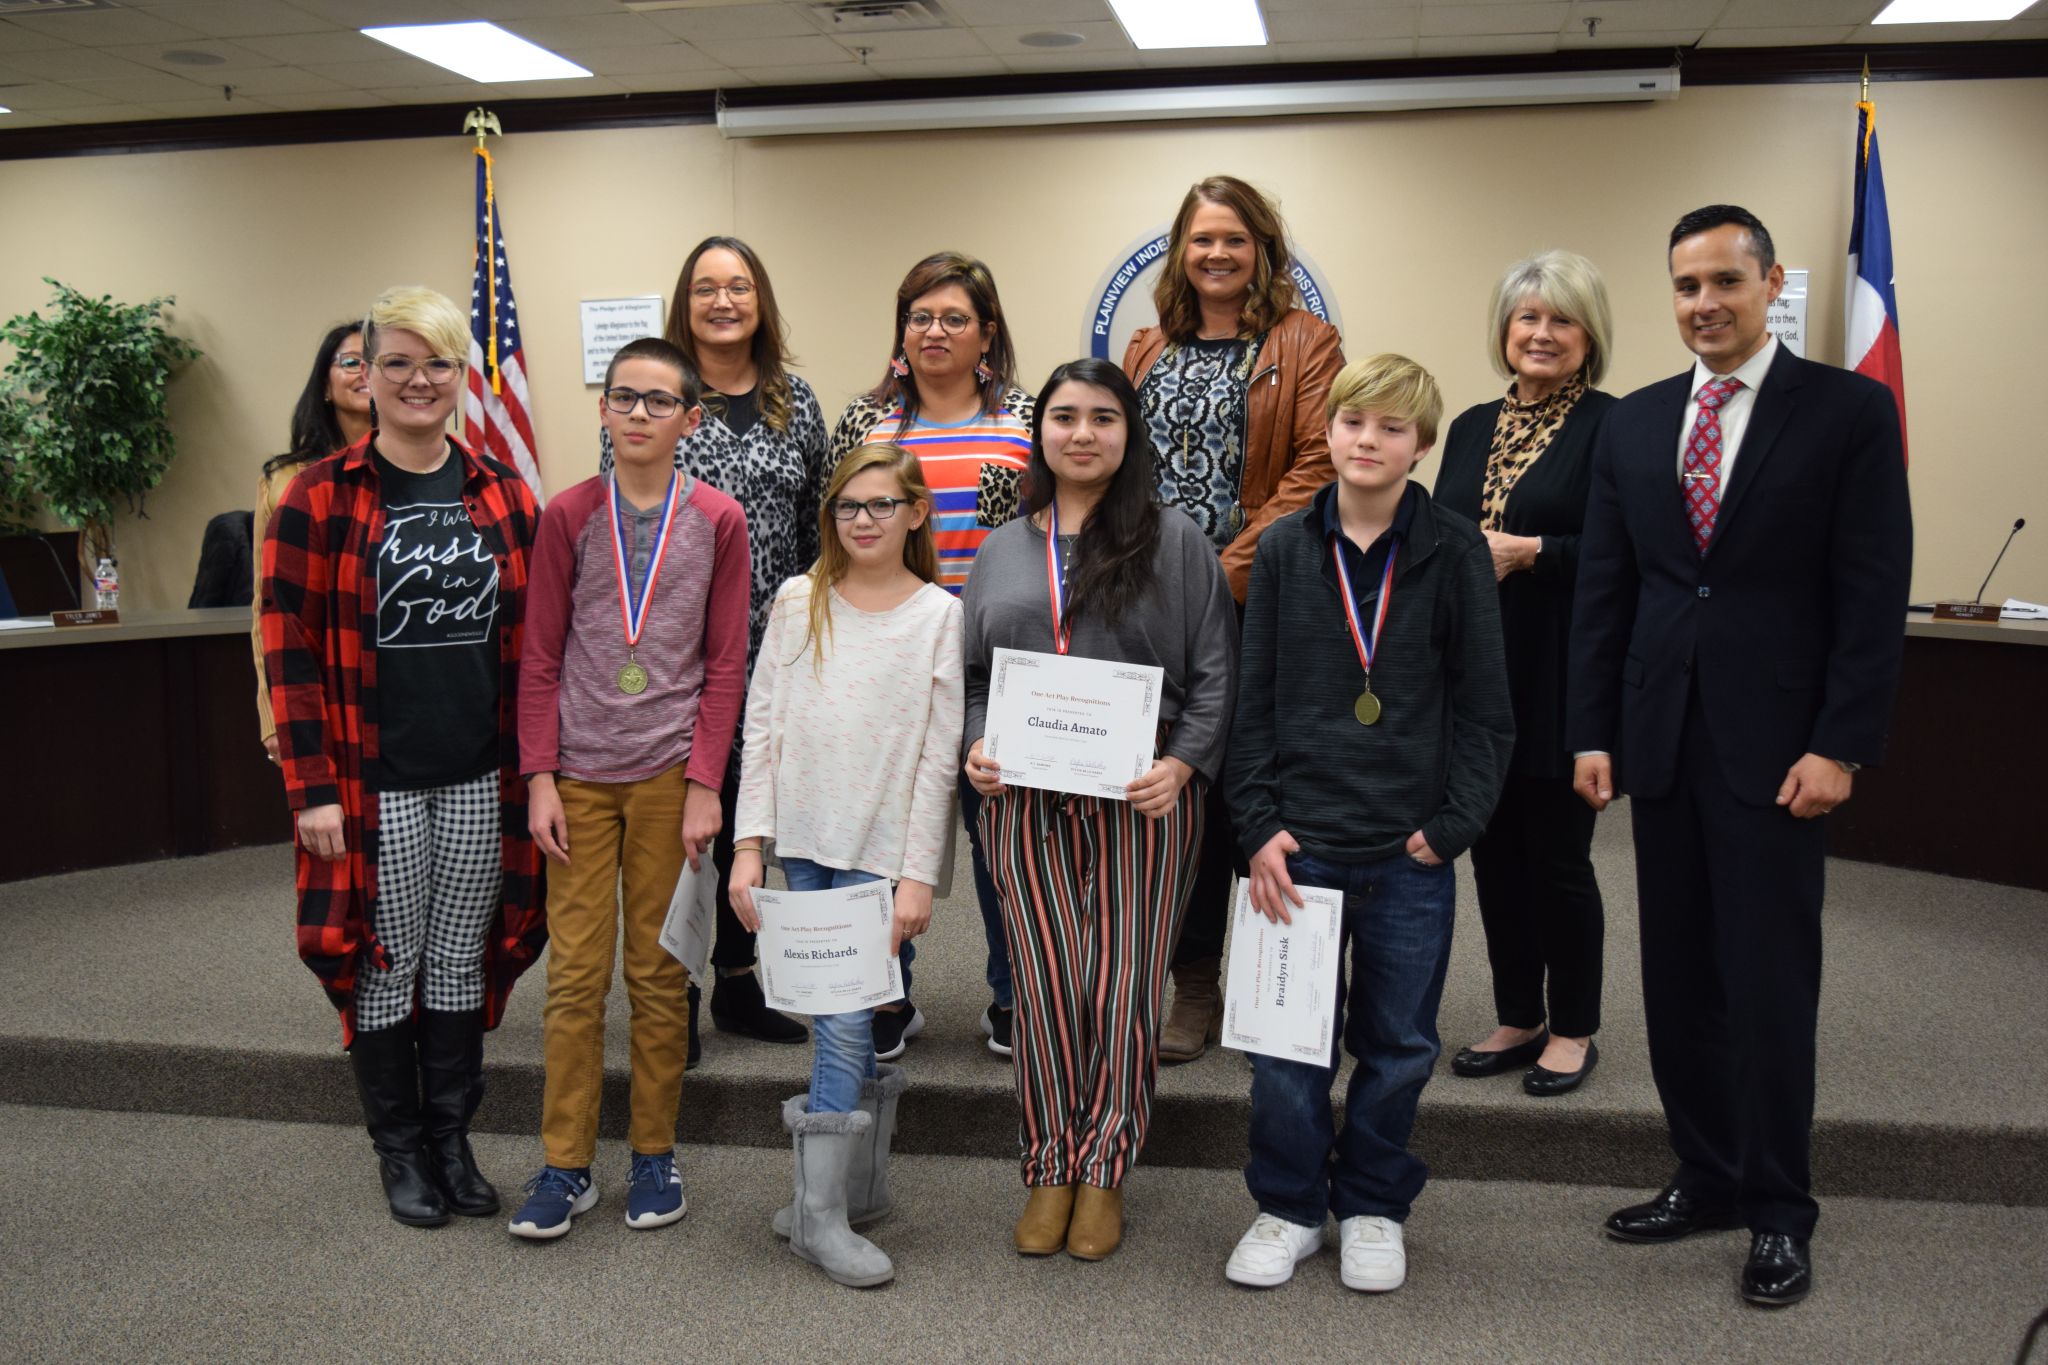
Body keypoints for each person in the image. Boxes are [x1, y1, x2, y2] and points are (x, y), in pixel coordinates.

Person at [1568, 205, 1911, 1307]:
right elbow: (1605, 591)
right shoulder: (1632, 423)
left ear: (1768, 287)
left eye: (1723, 281)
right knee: (1675, 982)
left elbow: (1869, 592)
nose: (1702, 303)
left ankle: (1776, 1207)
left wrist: (1841, 746)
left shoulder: (1848, 411)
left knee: (1766, 987)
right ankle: (1704, 1174)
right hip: (1658, 742)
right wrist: (1589, 729)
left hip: (1779, 755)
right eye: (1683, 286)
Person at [1220, 353, 1512, 1296]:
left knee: (1398, 1045)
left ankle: (1376, 1203)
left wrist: (1453, 825)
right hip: (1294, 850)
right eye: (1354, 423)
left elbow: (1485, 711)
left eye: (1392, 428)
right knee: (1285, 1050)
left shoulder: (1456, 549)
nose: (1368, 441)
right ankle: (1293, 1205)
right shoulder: (1283, 548)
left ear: (1420, 445)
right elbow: (1251, 702)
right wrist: (1256, 823)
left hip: (1408, 850)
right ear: (1332, 432)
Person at [261, 285, 545, 1228]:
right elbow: (287, 647)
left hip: (477, 772)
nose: (419, 381)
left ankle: (449, 1137)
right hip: (364, 780)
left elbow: (536, 646)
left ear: (461, 377)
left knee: (460, 956)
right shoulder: (319, 495)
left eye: (439, 365)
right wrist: (309, 787)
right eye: (397, 363)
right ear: (366, 377)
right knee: (385, 960)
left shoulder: (503, 492)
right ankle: (398, 1149)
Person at [962, 358, 1237, 1262]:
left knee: (1119, 991)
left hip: (1140, 797)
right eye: (1065, 416)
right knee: (1043, 989)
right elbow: (971, 678)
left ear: (1130, 433)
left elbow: (1213, 674)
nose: (1083, 433)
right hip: (1025, 801)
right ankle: (1049, 1162)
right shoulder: (1004, 546)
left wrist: (1186, 764)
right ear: (1040, 431)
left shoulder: (1178, 538)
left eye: (1104, 418)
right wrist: (977, 746)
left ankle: (1105, 1165)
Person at [510, 338, 749, 1241]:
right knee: (574, 979)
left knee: (657, 977)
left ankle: (654, 1151)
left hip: (665, 781)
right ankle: (565, 1162)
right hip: (576, 779)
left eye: (659, 401)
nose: (639, 414)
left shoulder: (719, 519)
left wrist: (704, 784)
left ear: (691, 418)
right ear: (603, 412)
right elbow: (538, 659)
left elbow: (725, 666)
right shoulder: (568, 514)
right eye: (624, 399)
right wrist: (539, 776)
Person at [1123, 175, 1346, 1063]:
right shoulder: (1146, 347)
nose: (1217, 253)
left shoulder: (1304, 342)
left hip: (1249, 601)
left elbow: (1314, 468)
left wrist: (1217, 578)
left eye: (1236, 239)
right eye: (1202, 238)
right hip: (1144, 610)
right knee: (1164, 792)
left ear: (1263, 249)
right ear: (1181, 250)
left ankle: (1264, 979)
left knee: (1244, 791)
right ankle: (1188, 977)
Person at [729, 442, 962, 1288]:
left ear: (915, 513)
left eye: (880, 505)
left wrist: (917, 873)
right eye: (846, 506)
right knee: (843, 1020)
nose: (862, 520)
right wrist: (748, 843)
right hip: (802, 839)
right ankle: (830, 1209)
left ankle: (832, 1204)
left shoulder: (939, 612)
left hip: (880, 854)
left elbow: (939, 757)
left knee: (853, 1018)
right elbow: (764, 725)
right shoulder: (801, 599)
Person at [599, 236, 828, 1058]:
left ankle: (740, 980)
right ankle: (676, 994)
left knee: (750, 817)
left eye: (738, 287)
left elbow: (818, 531)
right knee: (680, 826)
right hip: (672, 656)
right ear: (683, 302)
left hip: (773, 650)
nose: (723, 301)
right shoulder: (655, 395)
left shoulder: (794, 403)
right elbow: (619, 523)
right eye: (705, 288)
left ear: (760, 299)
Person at [829, 251, 1033, 1061]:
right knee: (882, 833)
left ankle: (1014, 995)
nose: (935, 330)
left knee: (1004, 837)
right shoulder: (865, 422)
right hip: (889, 658)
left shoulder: (1026, 419)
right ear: (901, 331)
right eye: (920, 316)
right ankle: (885, 996)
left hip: (996, 660)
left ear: (987, 331)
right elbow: (837, 536)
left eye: (954, 317)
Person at [1435, 250, 1618, 1096]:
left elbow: (1634, 557)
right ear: (1505, 331)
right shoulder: (1470, 424)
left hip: (1559, 675)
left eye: (1562, 320)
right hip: (1474, 678)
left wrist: (1536, 551)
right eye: (1528, 319)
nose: (1542, 334)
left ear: (1590, 336)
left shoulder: (1616, 427)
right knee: (1492, 856)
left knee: (1557, 860)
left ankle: (1575, 1024)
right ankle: (1519, 1013)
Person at [253, 322, 373, 765]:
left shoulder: (419, 472)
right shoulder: (288, 482)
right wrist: (273, 715)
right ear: (324, 384)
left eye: (377, 361)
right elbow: (265, 607)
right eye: (350, 362)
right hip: (319, 678)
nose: (364, 372)